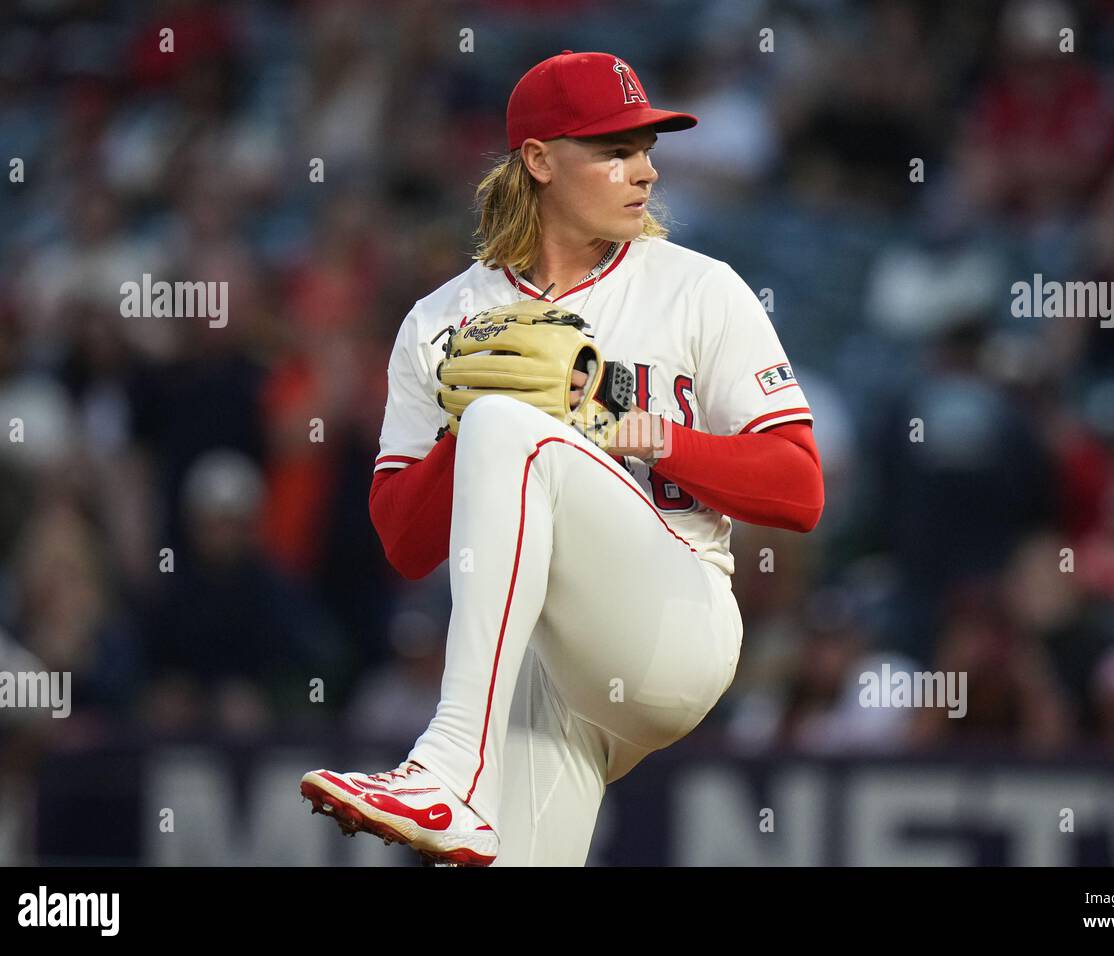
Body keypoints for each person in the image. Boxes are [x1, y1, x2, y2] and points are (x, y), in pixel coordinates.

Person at [301, 50, 824, 866]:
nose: (645, 172)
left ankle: (448, 766)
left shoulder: (699, 288)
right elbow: (405, 545)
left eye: (647, 148)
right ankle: (461, 780)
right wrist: (460, 427)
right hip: (546, 673)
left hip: (675, 618)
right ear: (539, 160)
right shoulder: (441, 321)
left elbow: (800, 489)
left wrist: (643, 429)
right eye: (614, 151)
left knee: (512, 425)